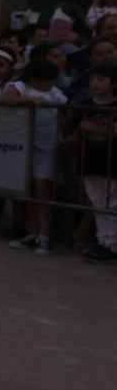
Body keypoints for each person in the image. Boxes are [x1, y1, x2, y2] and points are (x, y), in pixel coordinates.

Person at [6, 58, 68, 255]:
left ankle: (45, 237)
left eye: (52, 80)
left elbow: (66, 111)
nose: (49, 84)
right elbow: (7, 99)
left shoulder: (55, 93)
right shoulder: (20, 86)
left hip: (46, 148)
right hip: (23, 147)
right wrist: (29, 100)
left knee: (42, 191)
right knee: (28, 191)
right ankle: (32, 233)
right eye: (45, 80)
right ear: (34, 78)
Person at [66, 62, 117, 262]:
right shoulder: (86, 103)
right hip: (89, 161)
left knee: (112, 204)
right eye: (94, 79)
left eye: (102, 80)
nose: (96, 83)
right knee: (97, 203)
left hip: (112, 163)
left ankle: (111, 243)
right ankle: (104, 241)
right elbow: (76, 130)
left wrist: (92, 129)